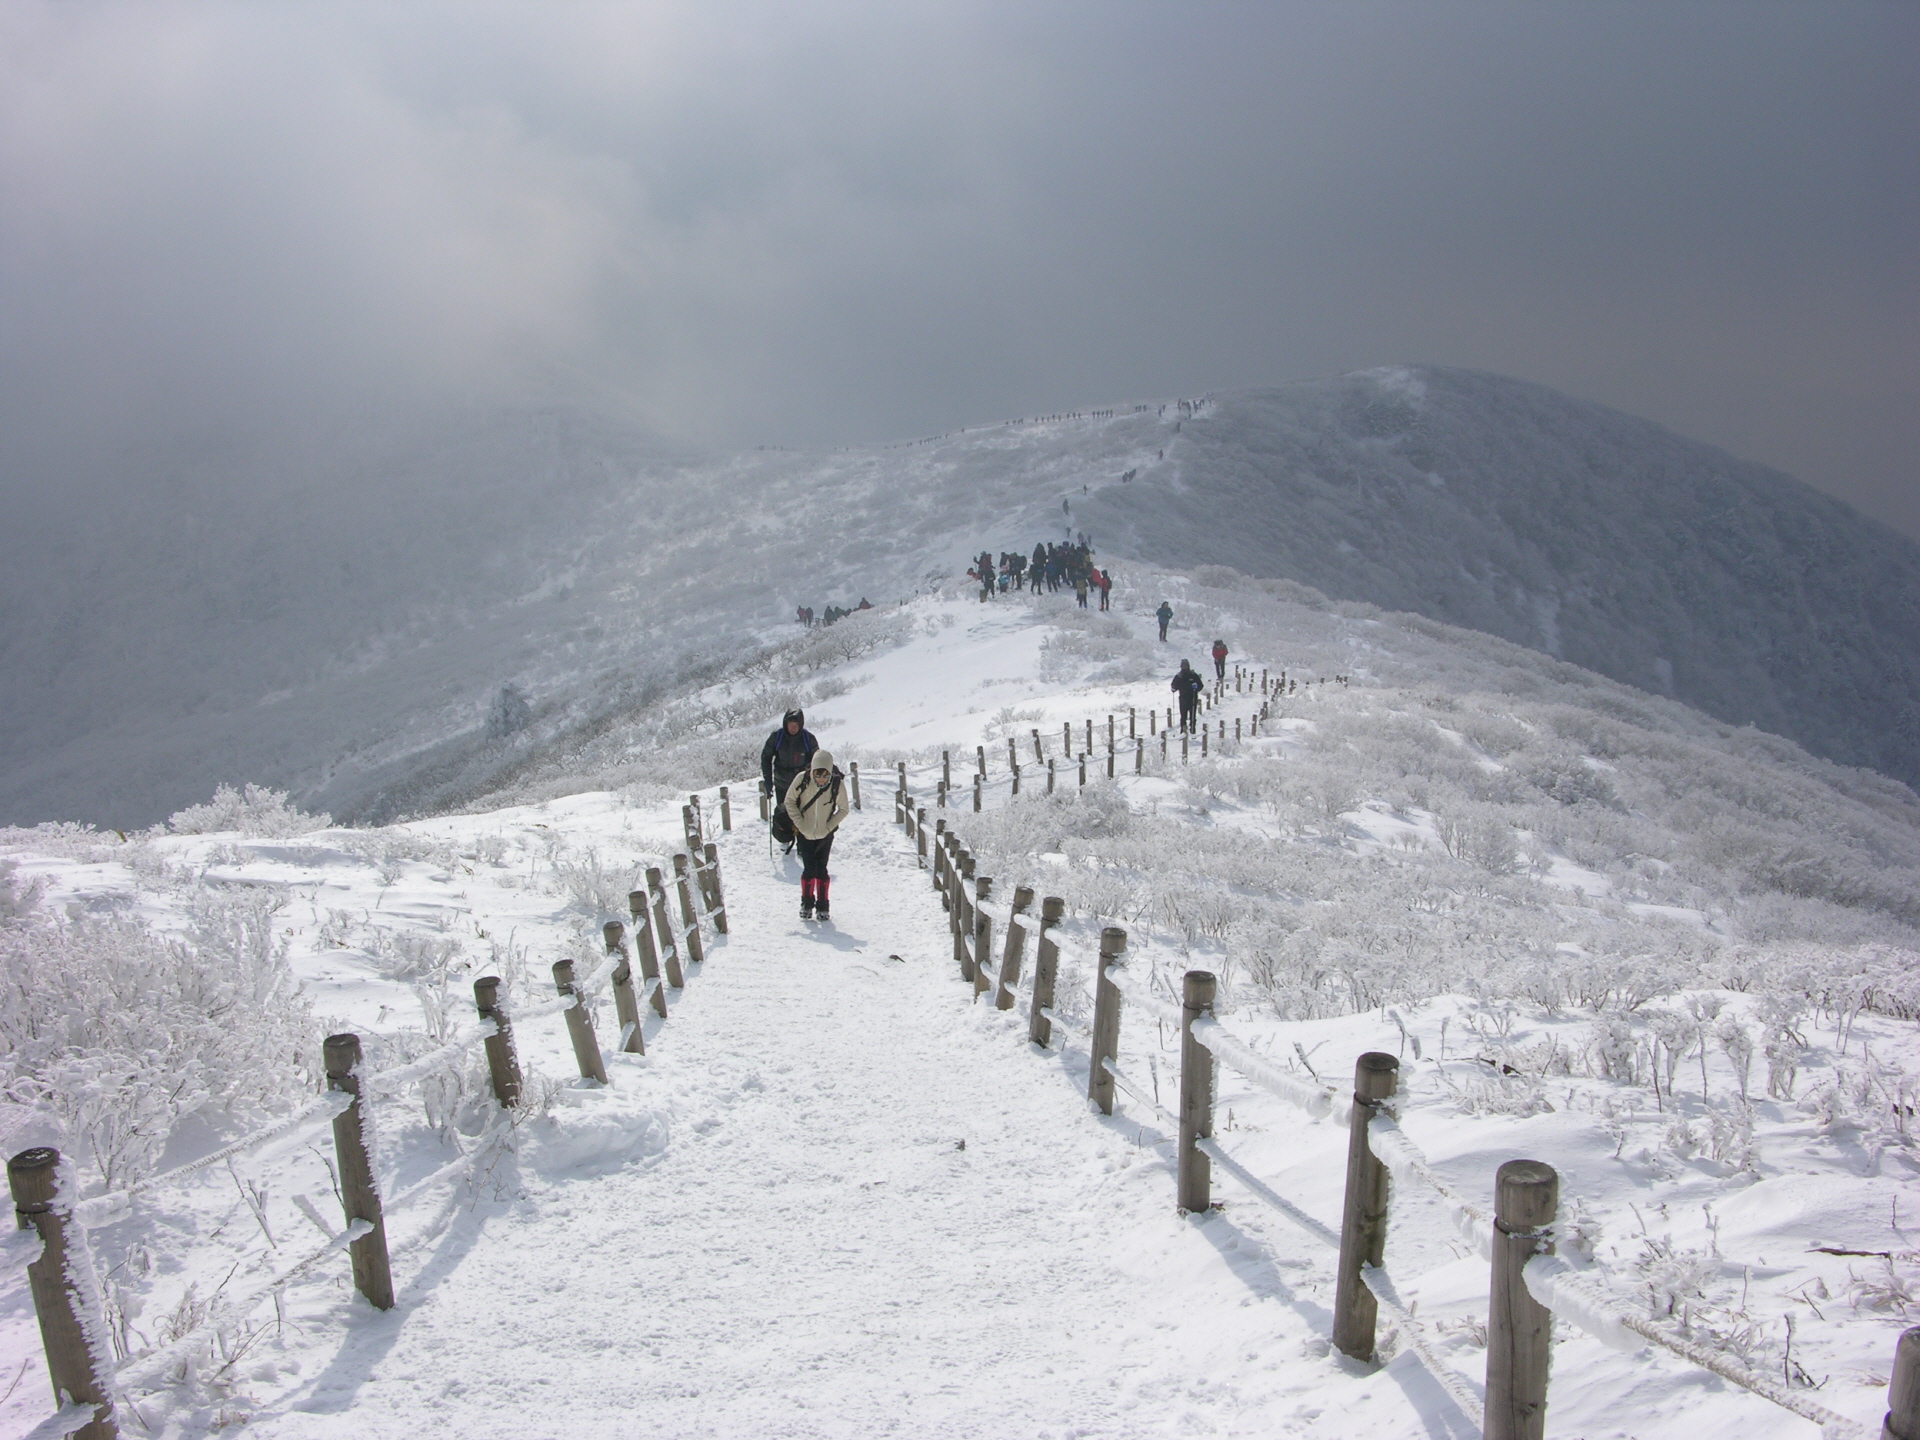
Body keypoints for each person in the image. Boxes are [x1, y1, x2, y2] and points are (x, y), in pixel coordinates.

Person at [786, 750, 851, 919]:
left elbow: (844, 809)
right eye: (818, 774)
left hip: (825, 835)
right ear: (812, 770)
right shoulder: (802, 779)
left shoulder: (836, 784)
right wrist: (800, 825)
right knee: (809, 868)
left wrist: (828, 827)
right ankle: (806, 904)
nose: (821, 779)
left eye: (825, 775)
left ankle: (823, 907)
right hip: (804, 834)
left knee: (821, 869)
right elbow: (789, 801)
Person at [759, 709, 818, 851]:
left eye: (796, 725)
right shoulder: (777, 737)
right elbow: (766, 757)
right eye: (790, 724)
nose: (793, 728)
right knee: (784, 813)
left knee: (803, 813)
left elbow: (816, 760)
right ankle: (785, 838)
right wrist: (768, 780)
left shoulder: (807, 738)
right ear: (785, 723)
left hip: (802, 784)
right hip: (782, 783)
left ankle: (802, 845)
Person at [1172, 660, 1204, 734]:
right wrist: (1173, 688)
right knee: (1183, 716)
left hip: (1192, 697)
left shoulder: (1193, 675)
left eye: (1185, 665)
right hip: (1183, 698)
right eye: (1183, 666)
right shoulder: (1179, 676)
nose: (1184, 667)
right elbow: (1174, 685)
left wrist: (1196, 688)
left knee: (1192, 715)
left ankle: (1192, 730)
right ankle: (1183, 731)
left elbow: (1200, 685)